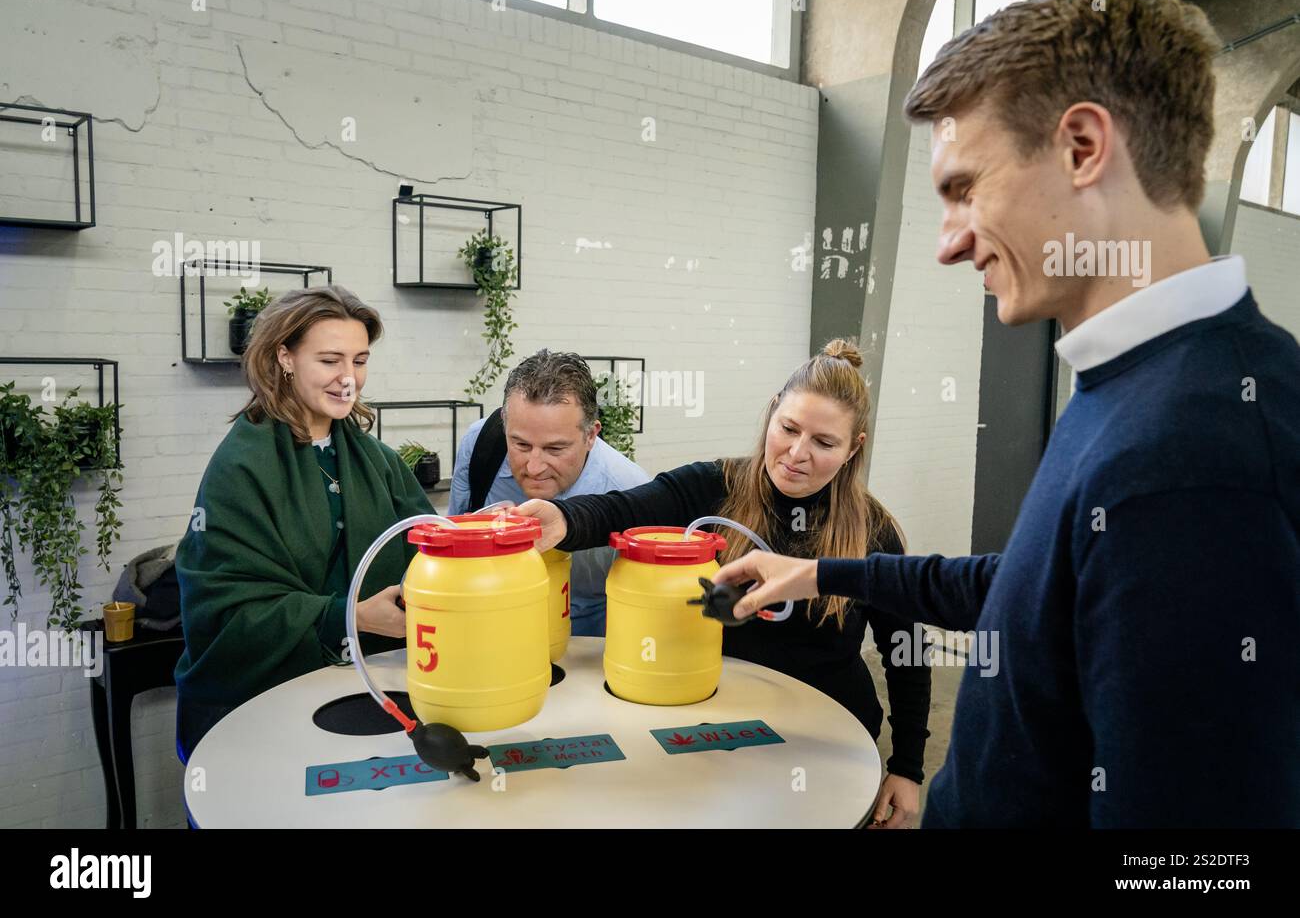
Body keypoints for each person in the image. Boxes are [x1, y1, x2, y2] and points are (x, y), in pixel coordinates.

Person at [711, 0, 1300, 828]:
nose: (949, 241)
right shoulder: (1136, 387)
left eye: (963, 188)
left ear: (1084, 146)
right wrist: (818, 571)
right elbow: (1024, 586)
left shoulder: (1195, 450)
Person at [518, 341, 932, 827]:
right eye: (789, 429)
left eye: (824, 443)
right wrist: (563, 519)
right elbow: (625, 507)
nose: (797, 454)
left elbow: (907, 650)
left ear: (854, 448)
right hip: (723, 731)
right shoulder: (714, 488)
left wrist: (907, 767)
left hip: (829, 740)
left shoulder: (871, 531)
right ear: (772, 412)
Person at [174, 286, 432, 761]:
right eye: (330, 360)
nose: (348, 379)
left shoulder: (378, 461)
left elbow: (426, 549)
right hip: (261, 715)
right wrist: (348, 615)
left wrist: (477, 538)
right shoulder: (242, 469)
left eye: (359, 360)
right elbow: (222, 615)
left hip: (365, 696)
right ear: (285, 357)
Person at [449, 350, 649, 636]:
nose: (534, 467)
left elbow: (642, 609)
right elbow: (455, 542)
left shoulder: (629, 489)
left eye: (555, 449)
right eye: (520, 445)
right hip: (489, 634)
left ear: (591, 435)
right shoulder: (481, 445)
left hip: (585, 654)